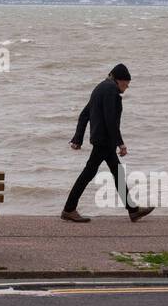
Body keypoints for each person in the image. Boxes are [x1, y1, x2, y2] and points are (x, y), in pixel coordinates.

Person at [61, 63, 154, 223]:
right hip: (104, 141)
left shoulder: (99, 88)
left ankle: (132, 210)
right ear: (120, 80)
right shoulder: (111, 90)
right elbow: (110, 119)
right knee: (89, 173)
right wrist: (120, 143)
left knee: (117, 173)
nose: (127, 87)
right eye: (126, 83)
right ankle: (69, 209)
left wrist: (78, 139)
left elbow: (84, 115)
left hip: (102, 139)